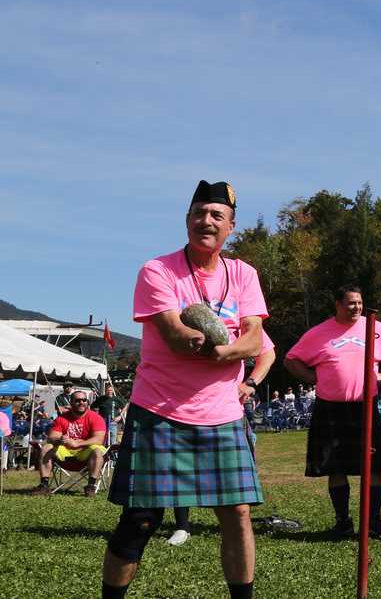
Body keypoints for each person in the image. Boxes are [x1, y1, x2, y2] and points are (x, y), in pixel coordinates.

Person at [102, 180, 267, 599]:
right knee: (140, 518)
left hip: (222, 413)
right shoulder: (157, 270)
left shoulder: (244, 274)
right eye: (198, 213)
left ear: (231, 227)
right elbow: (175, 333)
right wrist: (215, 343)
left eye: (216, 216)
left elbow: (255, 340)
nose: (205, 221)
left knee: (238, 513)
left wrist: (226, 349)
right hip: (159, 409)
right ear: (186, 220)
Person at [285, 285, 381, 539]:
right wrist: (311, 377)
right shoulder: (319, 333)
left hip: (365, 407)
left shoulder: (374, 327)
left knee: (375, 466)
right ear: (338, 304)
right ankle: (343, 522)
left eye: (360, 303)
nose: (357, 307)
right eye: (351, 303)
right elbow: (291, 359)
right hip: (330, 407)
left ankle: (373, 521)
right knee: (334, 466)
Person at [169, 334, 276, 548]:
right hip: (182, 409)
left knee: (233, 476)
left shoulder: (241, 319)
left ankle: (234, 524)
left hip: (228, 412)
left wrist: (251, 383)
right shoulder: (187, 318)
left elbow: (267, 353)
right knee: (181, 470)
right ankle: (182, 526)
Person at [31, 390, 107, 496]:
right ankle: (44, 485)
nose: (81, 402)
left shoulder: (96, 418)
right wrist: (60, 439)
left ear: (88, 402)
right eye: (77, 400)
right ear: (71, 403)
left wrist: (77, 444)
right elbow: (52, 437)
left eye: (84, 400)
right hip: (65, 450)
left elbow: (98, 439)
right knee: (46, 447)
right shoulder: (62, 418)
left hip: (86, 451)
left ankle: (91, 486)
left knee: (98, 451)